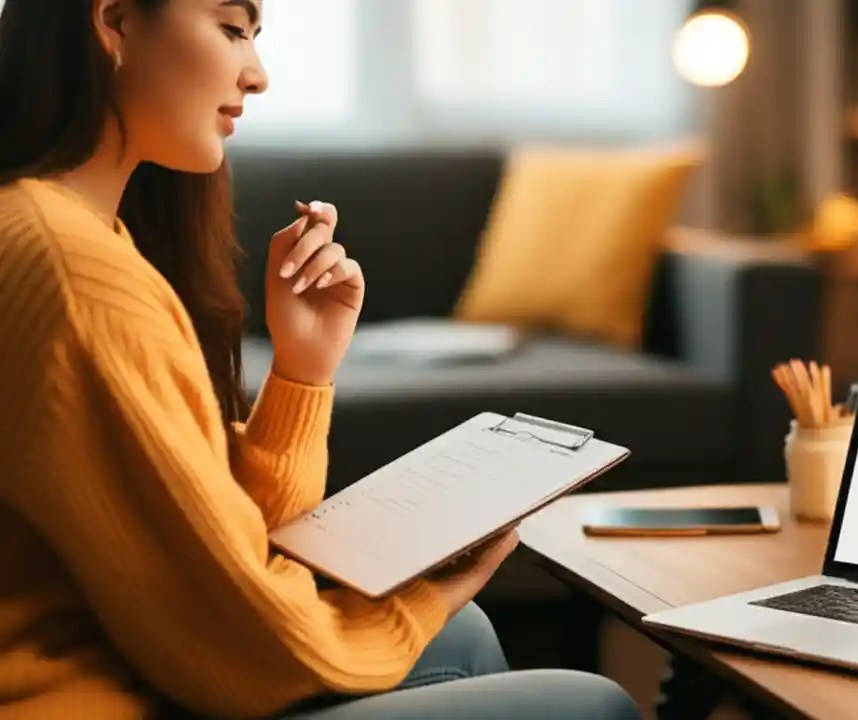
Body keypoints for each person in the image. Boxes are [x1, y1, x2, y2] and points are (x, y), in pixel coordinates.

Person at [0, 1, 640, 718]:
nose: (258, 75)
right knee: (592, 703)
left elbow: (223, 544)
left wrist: (302, 369)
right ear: (116, 23)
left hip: (135, 662)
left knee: (463, 634)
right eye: (232, 29)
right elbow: (244, 645)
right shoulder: (74, 272)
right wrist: (427, 593)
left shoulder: (70, 233)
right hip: (83, 696)